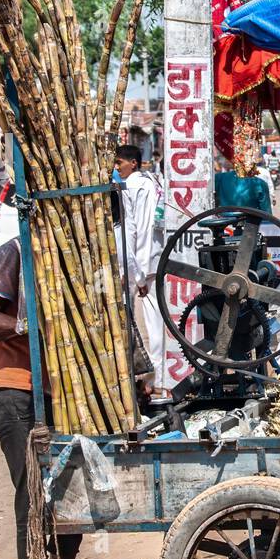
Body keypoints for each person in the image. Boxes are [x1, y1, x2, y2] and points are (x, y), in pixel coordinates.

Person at [0, 237, 118, 559]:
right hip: (18, 394)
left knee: (72, 500)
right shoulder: (15, 251)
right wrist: (34, 324)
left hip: (66, 394)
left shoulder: (79, 246)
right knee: (36, 500)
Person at [114, 145, 169, 400]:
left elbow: (134, 229)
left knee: (125, 319)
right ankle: (155, 380)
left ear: (133, 163)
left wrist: (135, 272)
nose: (117, 168)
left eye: (119, 163)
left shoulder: (131, 187)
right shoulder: (153, 182)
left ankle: (132, 378)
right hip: (155, 259)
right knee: (155, 323)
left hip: (137, 263)